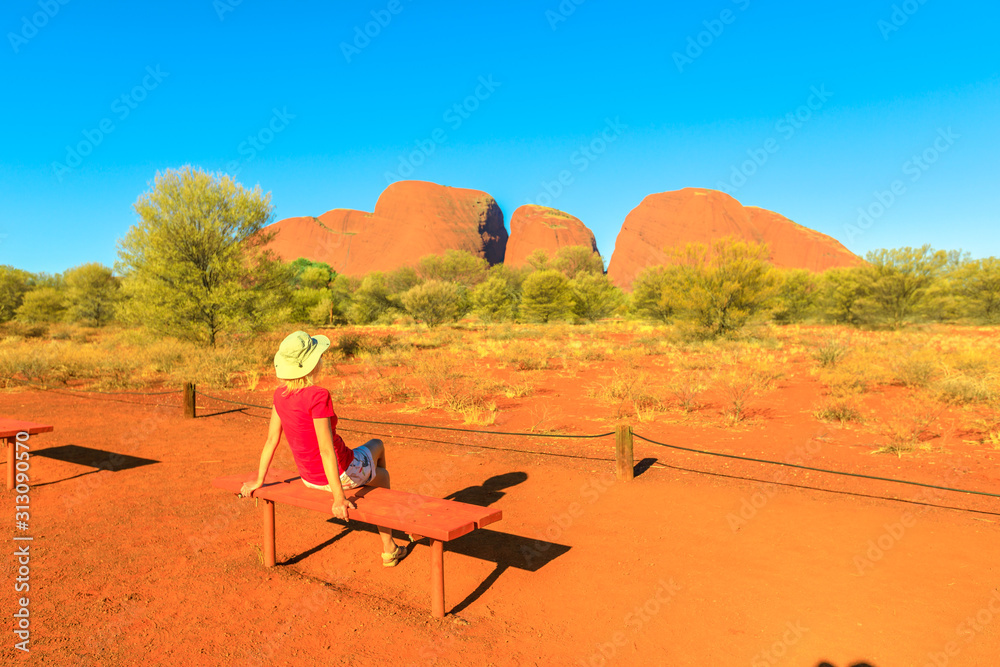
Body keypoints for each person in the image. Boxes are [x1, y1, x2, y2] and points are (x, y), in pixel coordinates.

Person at [240, 330, 406, 567]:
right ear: (313, 363)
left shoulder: (279, 395)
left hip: (310, 478)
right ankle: (389, 545)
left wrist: (258, 480)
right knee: (379, 452)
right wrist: (339, 498)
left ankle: (384, 517)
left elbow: (271, 440)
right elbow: (327, 449)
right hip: (340, 474)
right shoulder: (318, 395)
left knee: (375, 472)